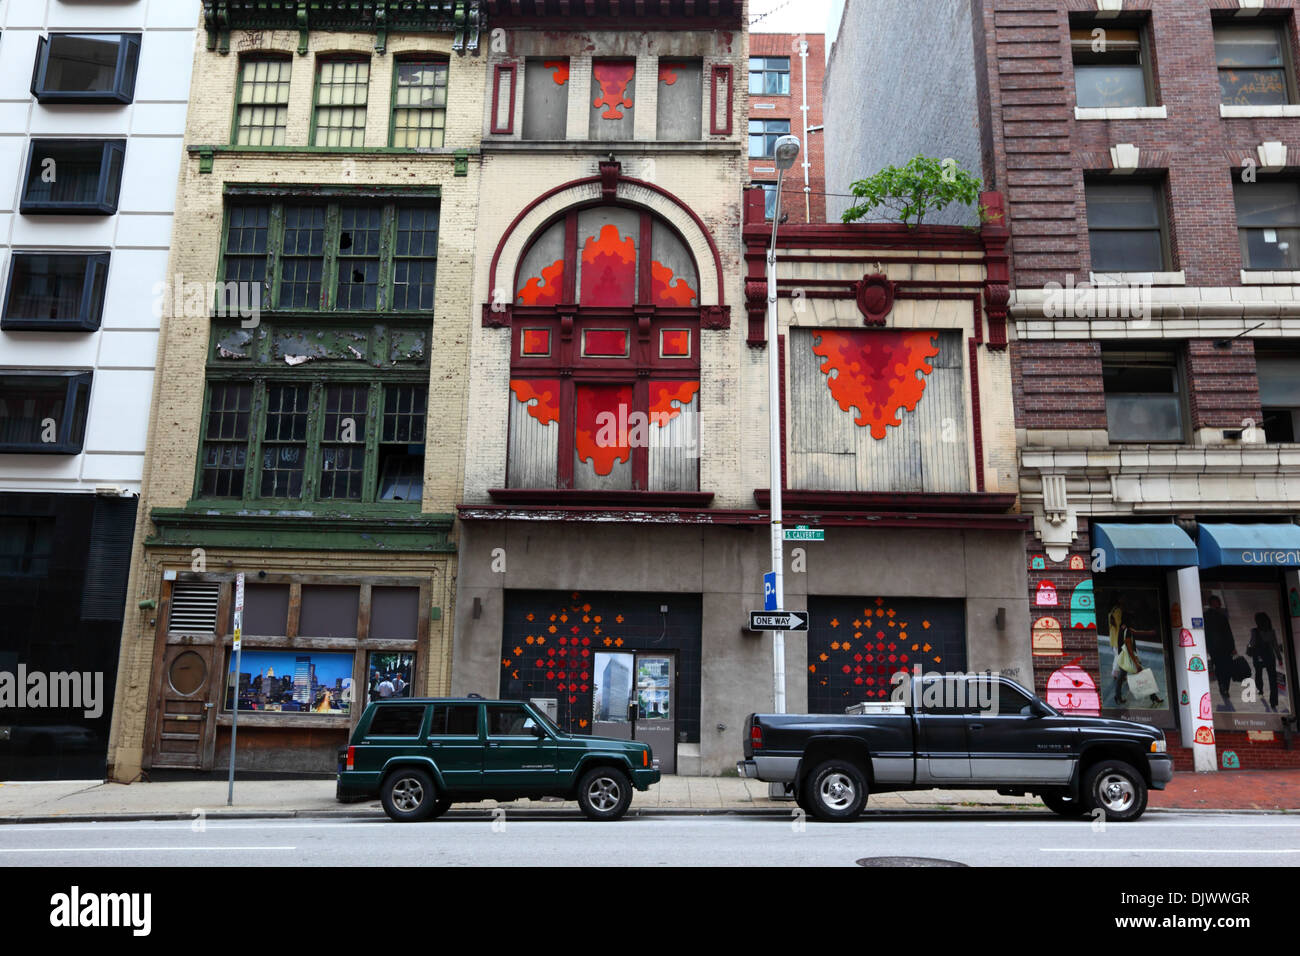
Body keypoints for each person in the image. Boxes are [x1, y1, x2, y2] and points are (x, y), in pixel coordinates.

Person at [1113, 603, 1164, 707]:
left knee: (1121, 677)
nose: (1134, 621)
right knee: (1145, 675)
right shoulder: (1127, 631)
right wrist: (1136, 663)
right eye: (1132, 619)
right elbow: (1129, 648)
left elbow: (1134, 633)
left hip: (1124, 659)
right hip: (1129, 659)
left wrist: (1149, 632)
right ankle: (1153, 697)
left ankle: (1118, 696)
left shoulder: (1123, 628)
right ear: (1129, 620)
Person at [1204, 594, 1236, 710]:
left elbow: (1228, 632)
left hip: (1223, 647)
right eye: (1216, 602)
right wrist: (1207, 646)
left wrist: (1233, 646)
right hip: (1217, 647)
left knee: (1224, 667)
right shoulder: (1208, 616)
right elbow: (1206, 632)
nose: (1218, 604)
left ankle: (1224, 686)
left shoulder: (1221, 615)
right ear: (1212, 603)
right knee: (1222, 667)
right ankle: (1223, 686)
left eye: (1219, 602)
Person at [1247, 612, 1282, 712]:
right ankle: (1273, 701)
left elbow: (1252, 643)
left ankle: (1260, 690)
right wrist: (1279, 659)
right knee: (1272, 679)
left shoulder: (1254, 631)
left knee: (1258, 673)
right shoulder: (1271, 631)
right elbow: (1275, 646)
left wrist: (1249, 647)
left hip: (1258, 657)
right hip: (1270, 658)